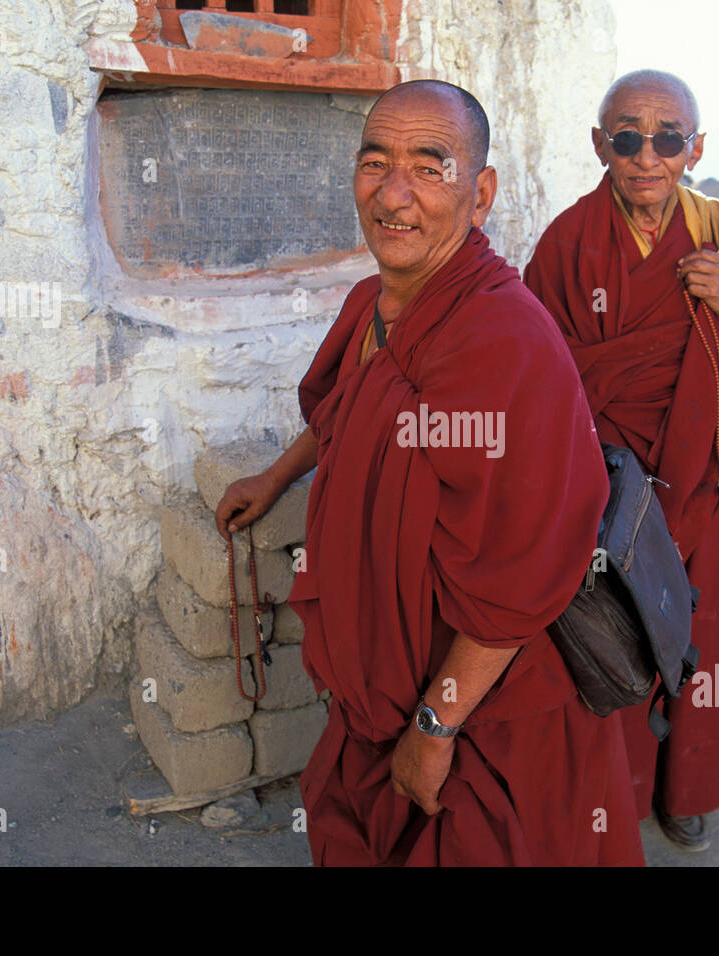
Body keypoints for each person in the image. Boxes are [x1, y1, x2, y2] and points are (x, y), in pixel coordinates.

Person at [215, 79, 644, 866]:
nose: (394, 193)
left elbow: (524, 577)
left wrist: (435, 728)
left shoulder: (506, 339)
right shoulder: (375, 306)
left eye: (429, 166)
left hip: (490, 710)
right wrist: (277, 477)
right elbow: (352, 411)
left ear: (479, 194)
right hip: (384, 689)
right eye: (374, 162)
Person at [523, 69, 719, 852]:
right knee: (616, 629)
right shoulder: (567, 241)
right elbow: (540, 368)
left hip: (703, 478)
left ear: (695, 148)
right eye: (628, 137)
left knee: (697, 629)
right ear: (600, 146)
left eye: (668, 138)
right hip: (610, 484)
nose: (649, 155)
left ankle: (685, 790)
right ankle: (615, 792)